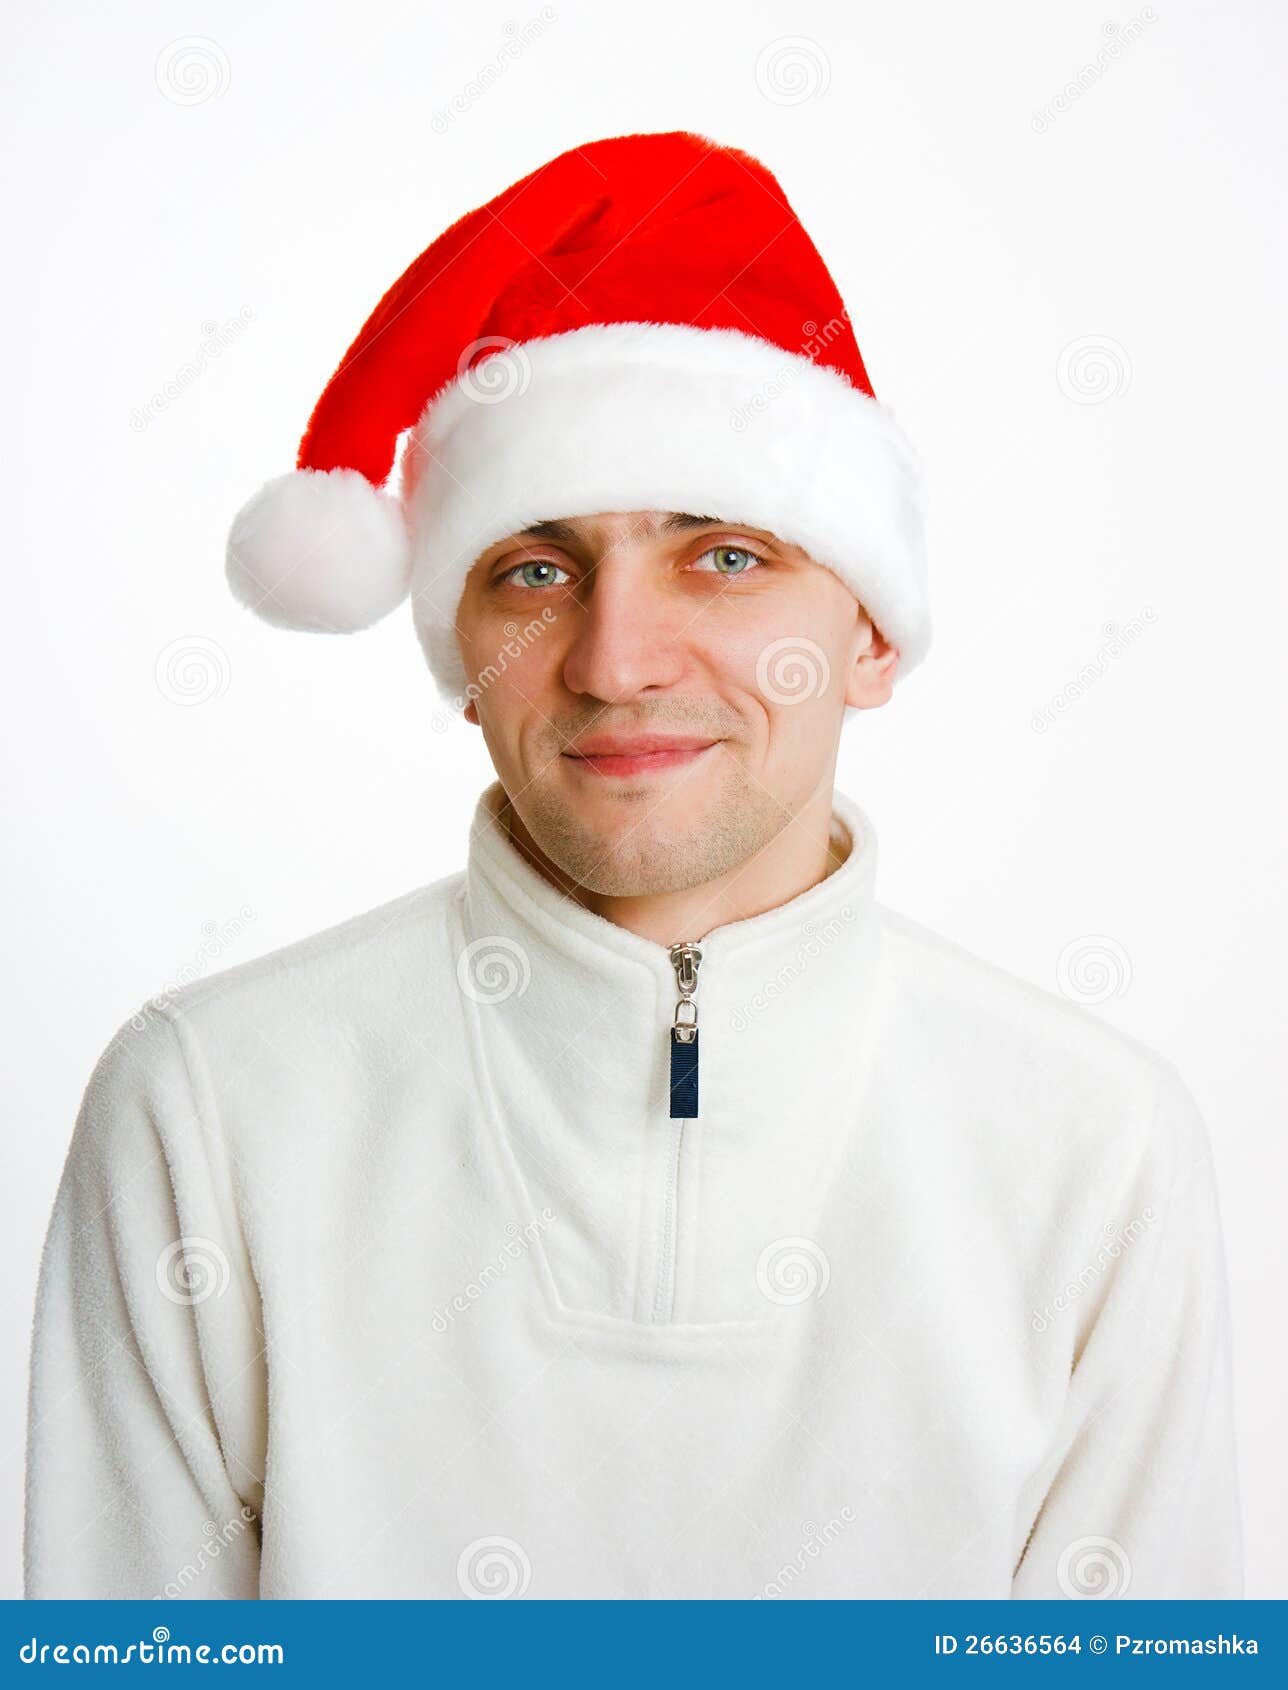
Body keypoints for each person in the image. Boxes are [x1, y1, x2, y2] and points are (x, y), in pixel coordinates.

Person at [24, 130, 1241, 1601]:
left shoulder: (1093, 1150)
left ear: (871, 634)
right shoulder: (210, 1105)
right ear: (461, 654)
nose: (615, 659)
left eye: (724, 555)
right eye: (536, 569)